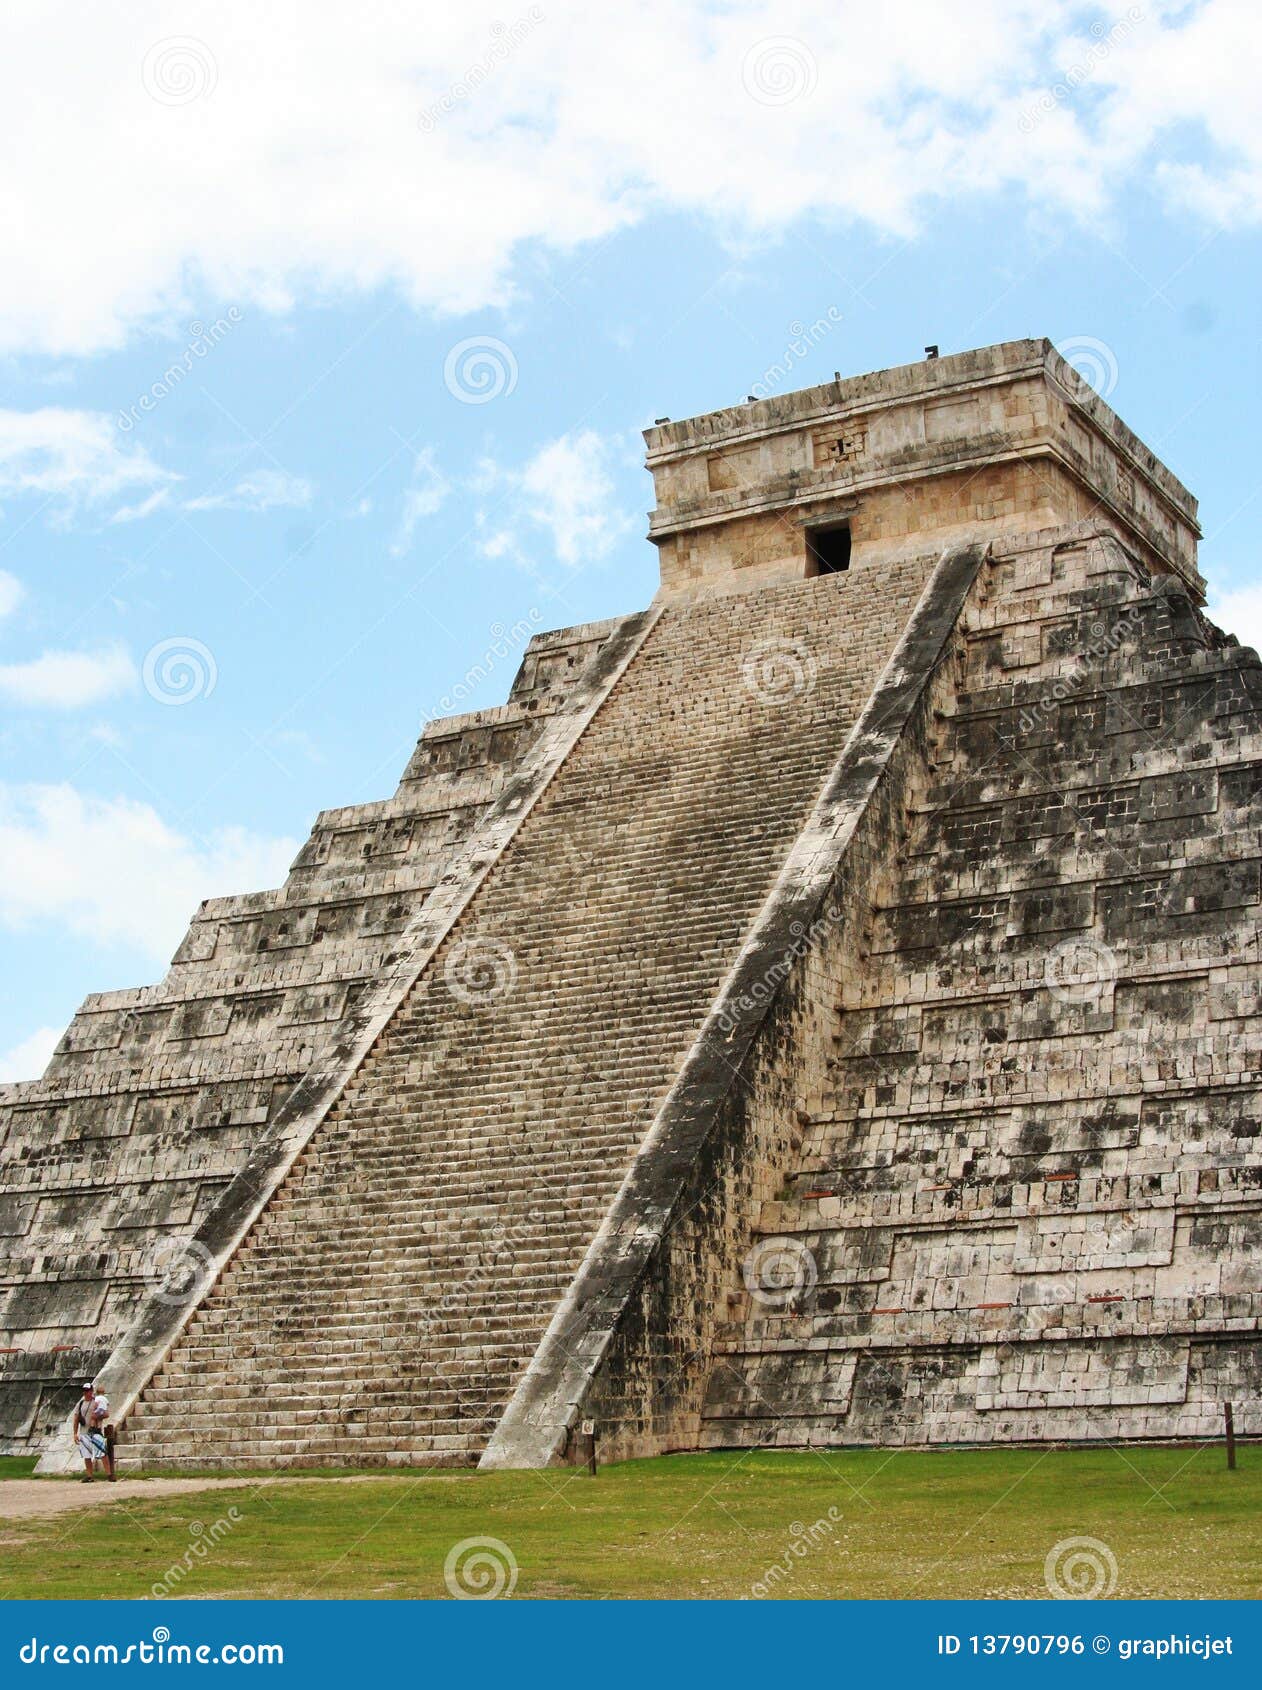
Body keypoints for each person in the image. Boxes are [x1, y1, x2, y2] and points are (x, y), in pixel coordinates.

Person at [73, 1382, 108, 1481]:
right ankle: (89, 1476)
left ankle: (109, 1474)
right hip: (84, 1432)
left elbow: (106, 1414)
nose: (86, 1392)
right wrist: (75, 1433)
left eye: (88, 1390)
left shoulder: (96, 1402)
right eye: (85, 1390)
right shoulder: (80, 1404)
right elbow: (76, 1419)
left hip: (95, 1431)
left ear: (92, 1391)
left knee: (102, 1453)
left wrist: (95, 1416)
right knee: (86, 1455)